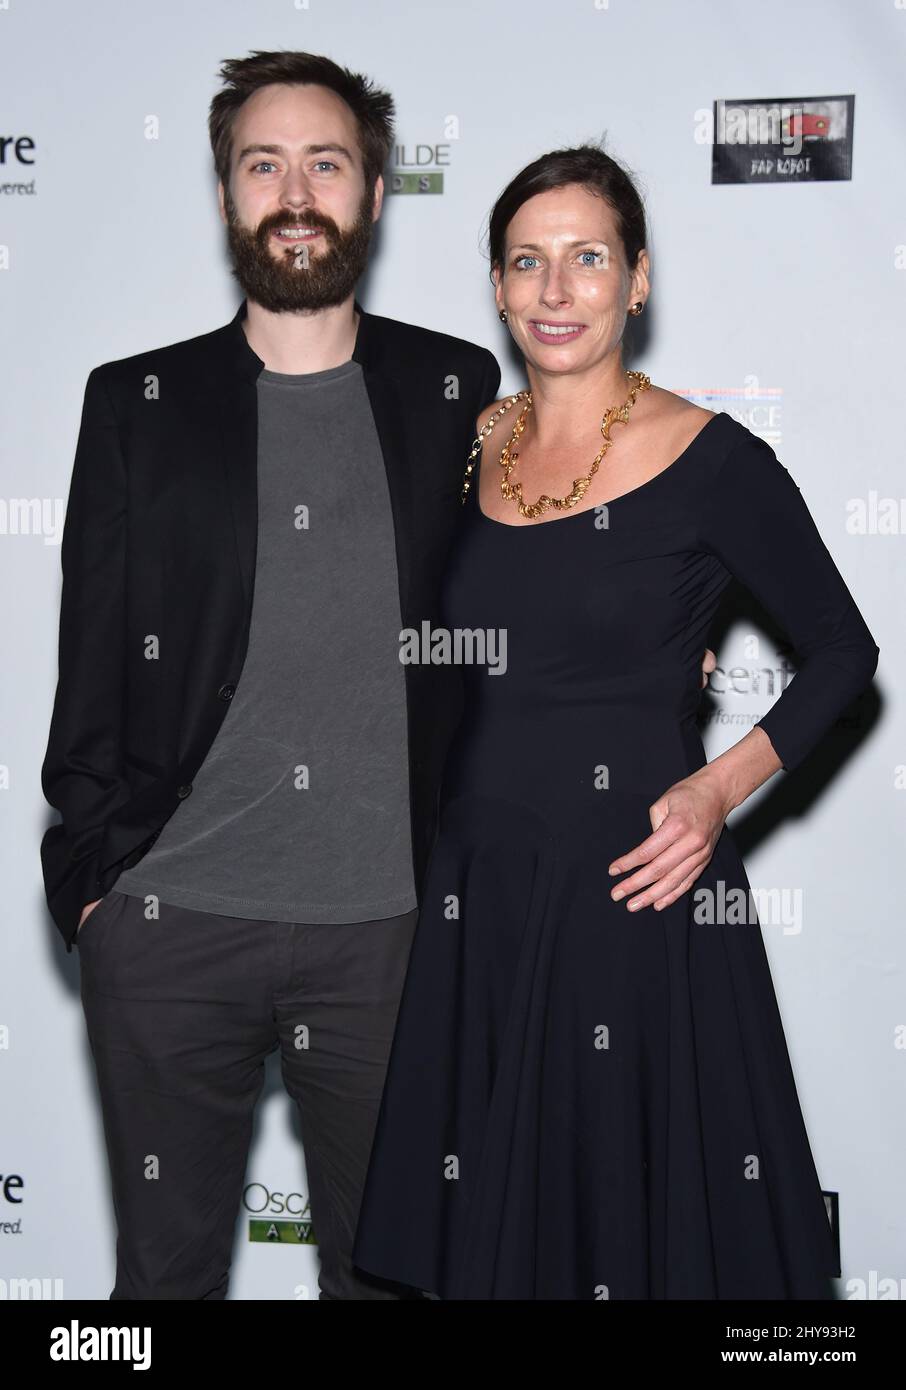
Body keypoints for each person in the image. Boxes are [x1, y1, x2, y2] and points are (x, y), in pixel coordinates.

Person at [352, 145, 880, 1299]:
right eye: (528, 263)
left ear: (638, 279)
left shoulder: (713, 459)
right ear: (495, 286)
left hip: (629, 888)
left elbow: (846, 654)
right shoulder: (466, 446)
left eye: (588, 259)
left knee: (630, 1234)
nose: (556, 289)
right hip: (478, 891)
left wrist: (716, 786)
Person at [39, 49, 500, 1300]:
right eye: (264, 163)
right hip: (173, 924)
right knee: (167, 1282)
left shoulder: (458, 389)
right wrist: (96, 887)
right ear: (227, 194)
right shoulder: (136, 403)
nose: (295, 191)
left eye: (326, 162)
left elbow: (512, 629)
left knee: (395, 1277)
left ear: (374, 194)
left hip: (389, 939)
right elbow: (91, 666)